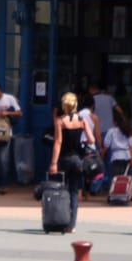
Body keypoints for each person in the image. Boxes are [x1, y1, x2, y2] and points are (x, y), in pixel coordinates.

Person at [48, 91, 95, 234]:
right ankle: (72, 225)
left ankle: (60, 219)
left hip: (64, 159)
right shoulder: (81, 120)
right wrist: (84, 141)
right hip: (77, 160)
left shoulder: (60, 121)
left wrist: (53, 163)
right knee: (74, 192)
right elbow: (92, 140)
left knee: (60, 190)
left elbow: (58, 142)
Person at [102, 107, 132, 178]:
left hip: (116, 157)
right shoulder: (128, 130)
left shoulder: (111, 131)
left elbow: (106, 146)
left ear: (115, 122)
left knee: (116, 179)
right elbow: (131, 146)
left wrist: (101, 156)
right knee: (126, 179)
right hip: (127, 157)